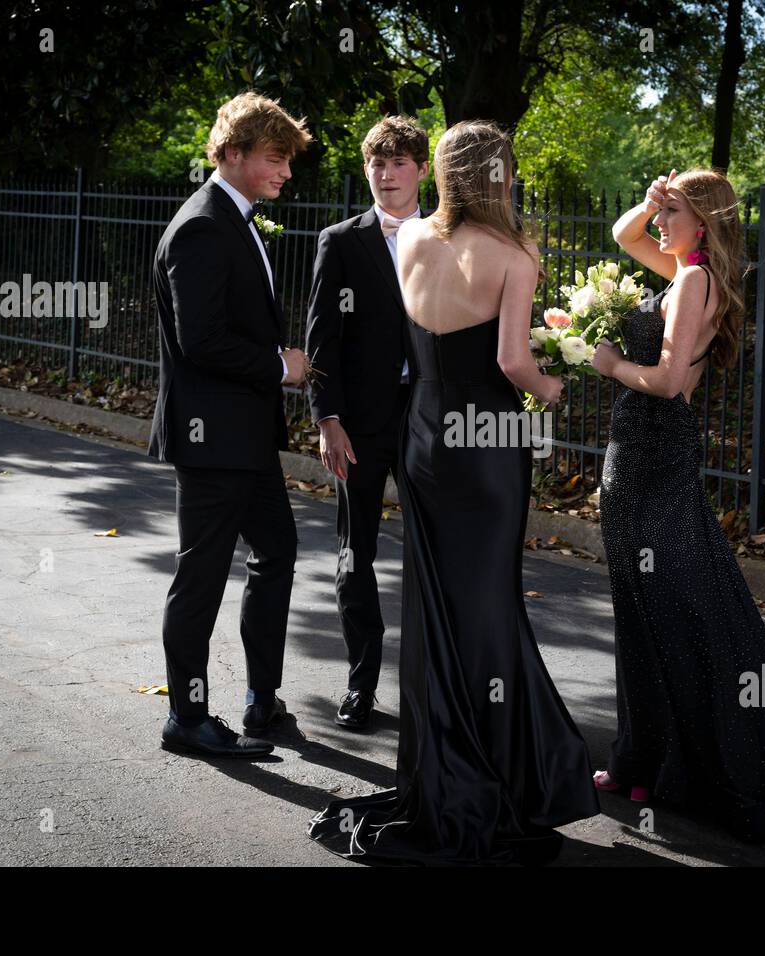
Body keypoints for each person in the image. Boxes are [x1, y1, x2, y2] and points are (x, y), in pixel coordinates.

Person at [307, 120, 599, 864]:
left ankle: (443, 768)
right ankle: (502, 774)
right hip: (489, 445)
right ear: (499, 175)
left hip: (425, 439)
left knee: (434, 607)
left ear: (440, 171)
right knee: (490, 602)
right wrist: (556, 384)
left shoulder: (411, 241)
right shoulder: (514, 251)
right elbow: (510, 361)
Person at [589, 167, 765, 841]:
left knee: (671, 607)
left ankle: (677, 764)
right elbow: (624, 232)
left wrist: (609, 365)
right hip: (644, 451)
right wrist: (656, 198)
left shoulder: (691, 281)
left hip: (652, 449)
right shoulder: (689, 269)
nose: (657, 221)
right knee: (653, 604)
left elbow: (665, 381)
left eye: (671, 211)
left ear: (703, 222)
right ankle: (646, 762)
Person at [149, 92, 312, 758]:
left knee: (276, 552)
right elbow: (202, 340)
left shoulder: (234, 218)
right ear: (232, 154)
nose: (285, 172)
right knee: (203, 575)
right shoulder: (203, 225)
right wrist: (282, 366)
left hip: (243, 439)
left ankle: (260, 703)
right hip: (211, 439)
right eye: (275, 159)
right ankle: (187, 718)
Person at [305, 116, 430, 732]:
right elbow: (321, 337)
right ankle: (360, 687)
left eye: (399, 162)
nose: (386, 174)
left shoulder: (445, 236)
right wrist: (327, 419)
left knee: (432, 553)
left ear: (422, 171)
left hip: (430, 421)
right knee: (357, 554)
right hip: (358, 423)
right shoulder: (341, 241)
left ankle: (434, 690)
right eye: (377, 164)